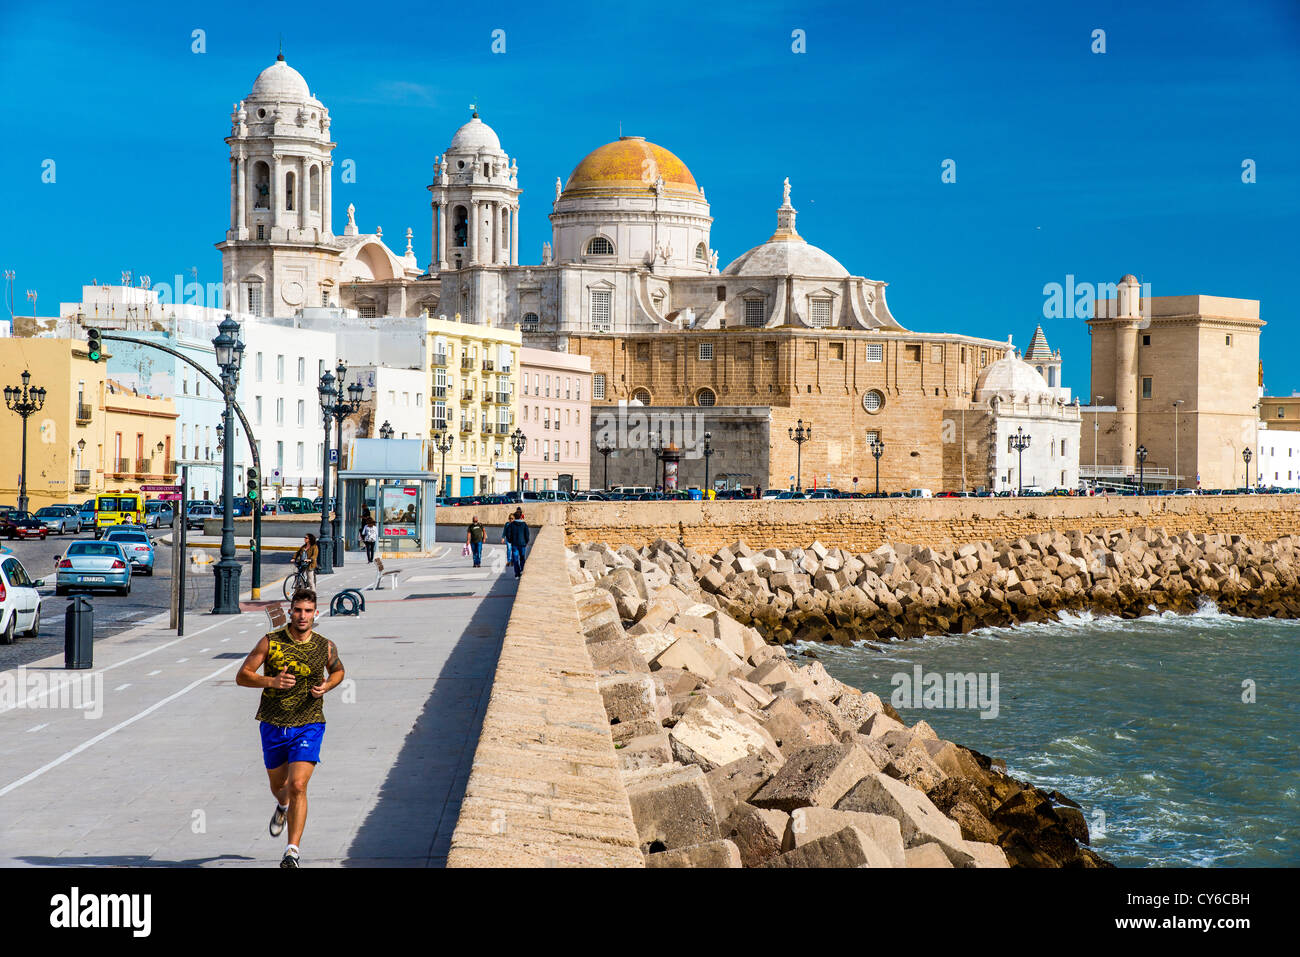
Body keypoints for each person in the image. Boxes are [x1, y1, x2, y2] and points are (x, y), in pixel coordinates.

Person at [235, 588, 344, 868]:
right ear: (290, 612)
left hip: (309, 724)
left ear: (315, 613)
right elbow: (242, 676)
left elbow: (339, 671)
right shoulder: (270, 643)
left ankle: (292, 852)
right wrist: (271, 682)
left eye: (308, 611)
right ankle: (282, 806)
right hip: (273, 724)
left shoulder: (325, 646)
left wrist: (327, 686)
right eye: (298, 610)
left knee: (298, 785)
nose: (302, 616)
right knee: (279, 787)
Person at [501, 511, 530, 578]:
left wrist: (511, 541)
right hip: (522, 544)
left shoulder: (511, 525)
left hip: (515, 545)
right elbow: (527, 534)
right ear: (520, 516)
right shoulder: (524, 524)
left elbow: (508, 534)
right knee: (522, 557)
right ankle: (522, 569)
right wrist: (526, 541)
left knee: (515, 559)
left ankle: (517, 574)